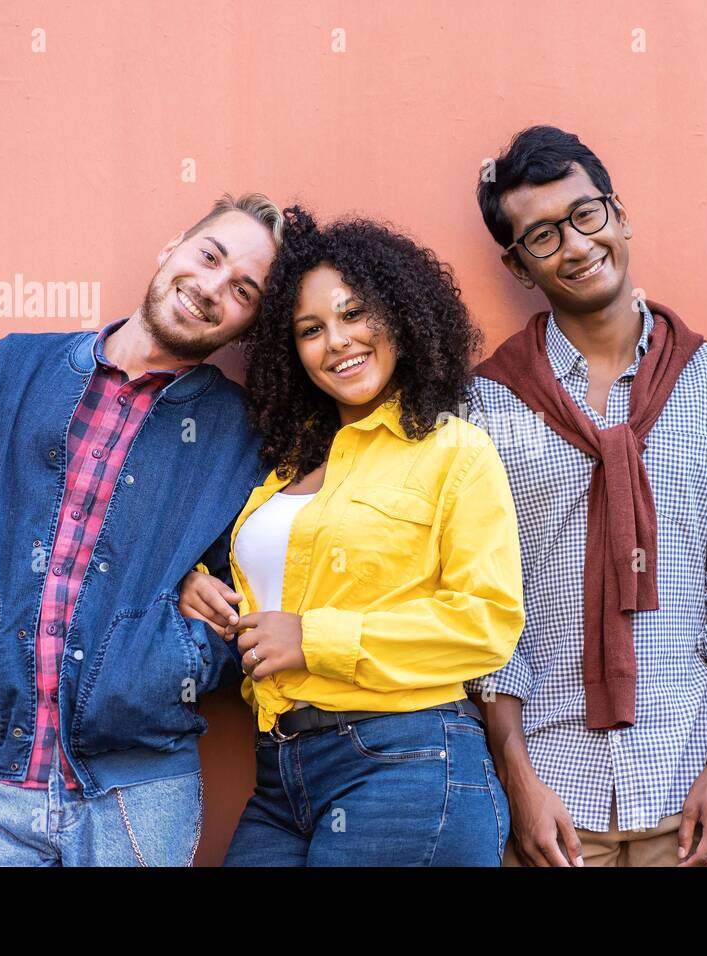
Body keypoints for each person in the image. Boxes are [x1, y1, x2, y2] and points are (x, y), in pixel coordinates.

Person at [0, 193, 283, 866]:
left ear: (247, 326)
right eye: (209, 256)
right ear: (173, 248)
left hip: (141, 789)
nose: (211, 288)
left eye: (243, 290)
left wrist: (185, 643)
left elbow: (253, 582)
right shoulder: (6, 371)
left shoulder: (241, 437)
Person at [463, 125, 707, 867]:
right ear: (517, 265)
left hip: (689, 792)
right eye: (543, 237)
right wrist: (519, 784)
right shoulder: (487, 404)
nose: (575, 245)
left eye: (585, 215)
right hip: (555, 799)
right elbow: (488, 612)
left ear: (619, 214)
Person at [178, 208, 523, 866]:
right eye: (311, 330)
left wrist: (312, 638)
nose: (336, 341)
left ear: (398, 315)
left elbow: (486, 623)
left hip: (408, 761)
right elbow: (262, 594)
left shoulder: (455, 452)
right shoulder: (280, 473)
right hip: (284, 773)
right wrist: (197, 586)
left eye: (353, 313)